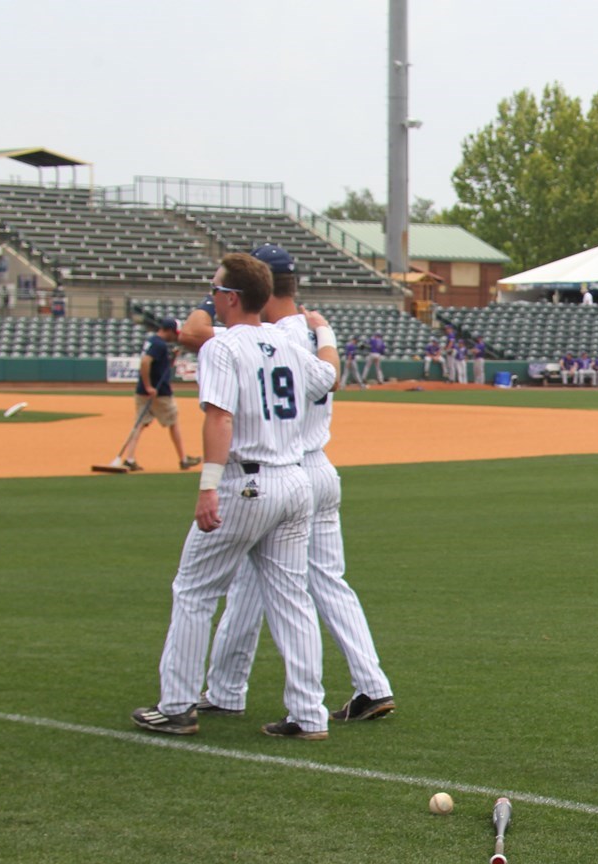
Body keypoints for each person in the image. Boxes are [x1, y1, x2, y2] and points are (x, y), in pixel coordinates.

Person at [130, 252, 340, 740]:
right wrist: (326, 335)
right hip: (295, 481)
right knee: (291, 600)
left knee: (194, 591)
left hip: (245, 482)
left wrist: (208, 486)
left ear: (230, 297)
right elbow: (329, 377)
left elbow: (220, 417)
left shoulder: (221, 347)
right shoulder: (288, 342)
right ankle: (309, 714)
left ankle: (177, 706)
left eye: (216, 288)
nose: (213, 295)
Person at [196, 243, 397, 731]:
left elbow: (193, 333)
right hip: (321, 467)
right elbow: (330, 378)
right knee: (326, 581)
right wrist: (325, 330)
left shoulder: (268, 336)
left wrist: (213, 296)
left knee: (255, 585)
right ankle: (372, 684)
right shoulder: (310, 330)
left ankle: (228, 690)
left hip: (285, 469)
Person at [121, 316, 200, 472]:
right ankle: (183, 459)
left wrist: (173, 357)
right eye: (174, 333)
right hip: (159, 392)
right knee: (173, 422)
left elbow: (160, 366)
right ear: (169, 330)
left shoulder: (152, 341)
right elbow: (145, 362)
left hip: (143, 391)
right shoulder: (159, 344)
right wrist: (149, 386)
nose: (175, 337)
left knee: (140, 423)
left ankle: (129, 458)